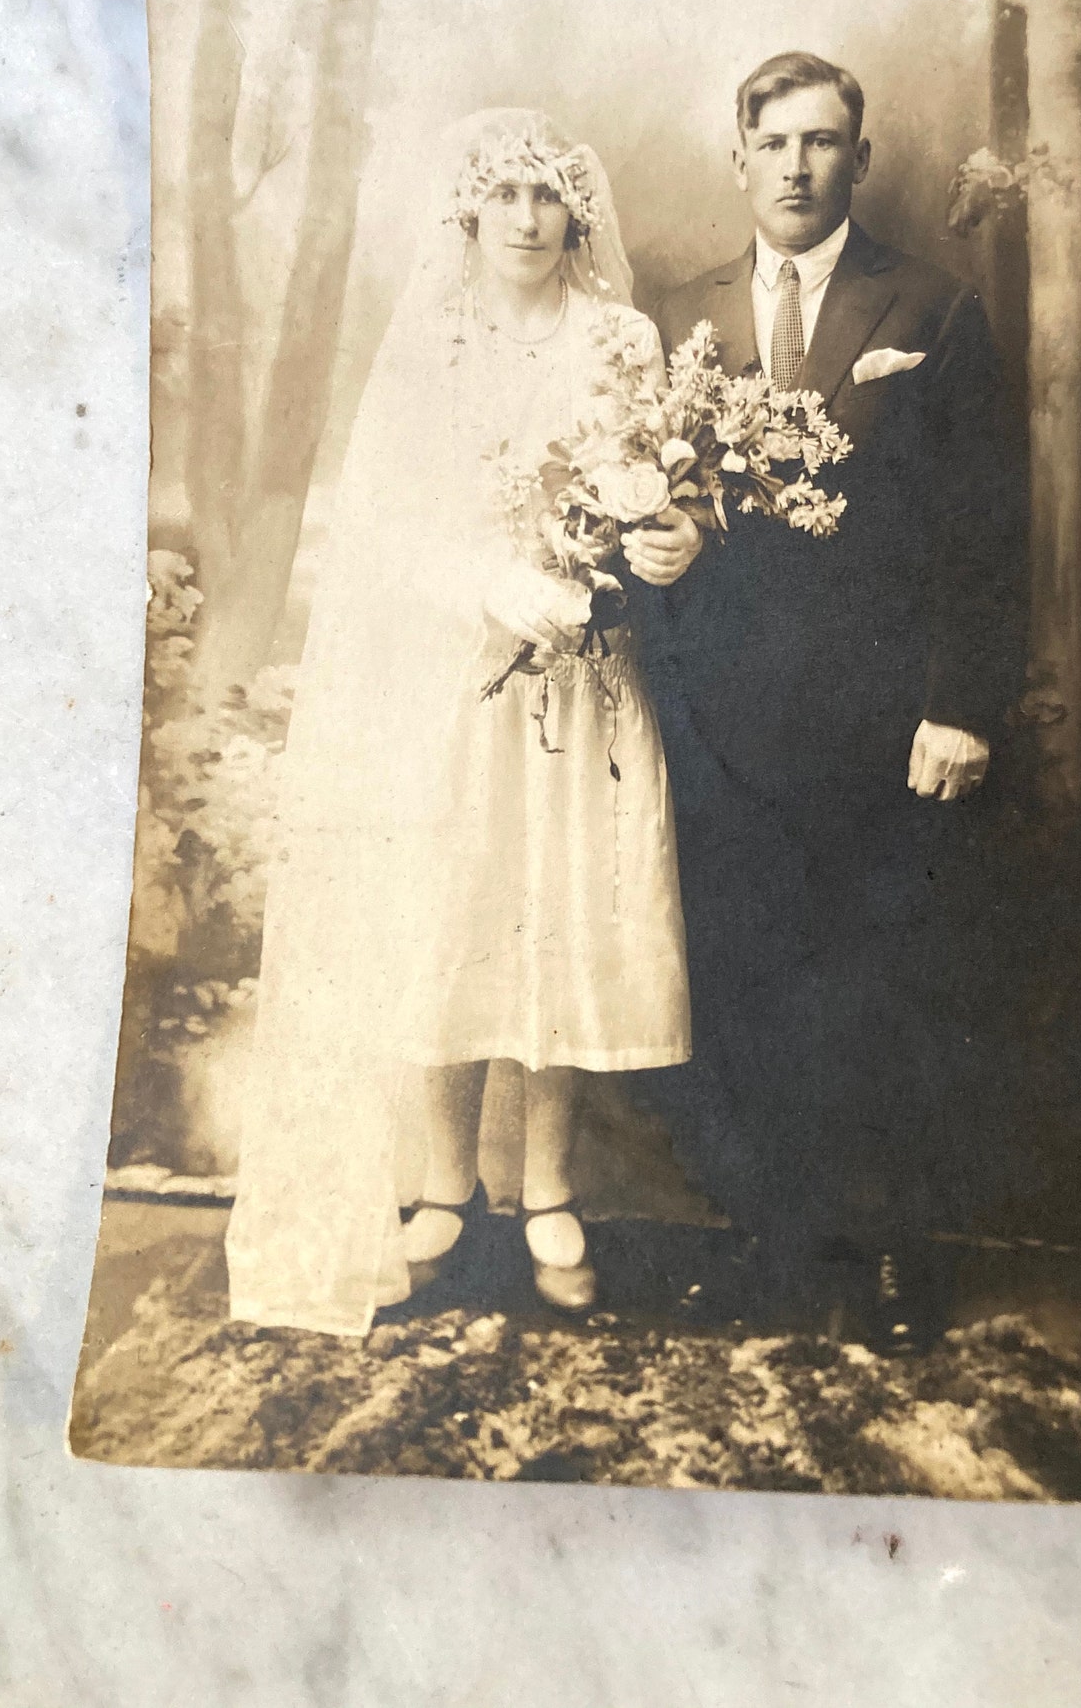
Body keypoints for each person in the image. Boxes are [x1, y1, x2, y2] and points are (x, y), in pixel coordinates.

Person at [225, 110, 702, 1335]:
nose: (530, 219)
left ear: (574, 216)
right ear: (470, 216)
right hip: (452, 669)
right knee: (449, 905)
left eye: (550, 197)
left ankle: (547, 1183)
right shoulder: (431, 341)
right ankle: (442, 1184)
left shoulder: (620, 337)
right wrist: (498, 587)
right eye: (506, 197)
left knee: (560, 904)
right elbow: (387, 520)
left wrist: (626, 555)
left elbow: (654, 479)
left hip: (584, 672)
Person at [636, 52, 1026, 1345]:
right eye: (776, 142)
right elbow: (650, 513)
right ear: (737, 156)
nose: (798, 167)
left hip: (882, 725)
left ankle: (905, 1251)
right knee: (748, 989)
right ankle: (783, 1249)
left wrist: (961, 707)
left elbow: (986, 534)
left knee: (890, 990)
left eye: (824, 143)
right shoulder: (680, 317)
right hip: (723, 728)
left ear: (858, 159)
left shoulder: (932, 303)